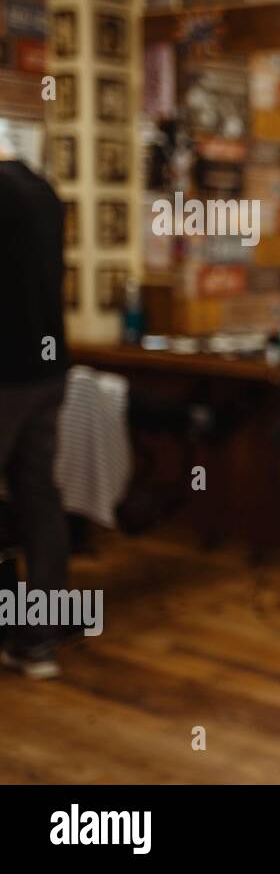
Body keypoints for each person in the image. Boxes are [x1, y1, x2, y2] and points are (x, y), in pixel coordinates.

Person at [0, 138, 72, 680]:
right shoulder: (43, 191)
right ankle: (38, 640)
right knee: (39, 499)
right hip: (47, 368)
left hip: (6, 373)